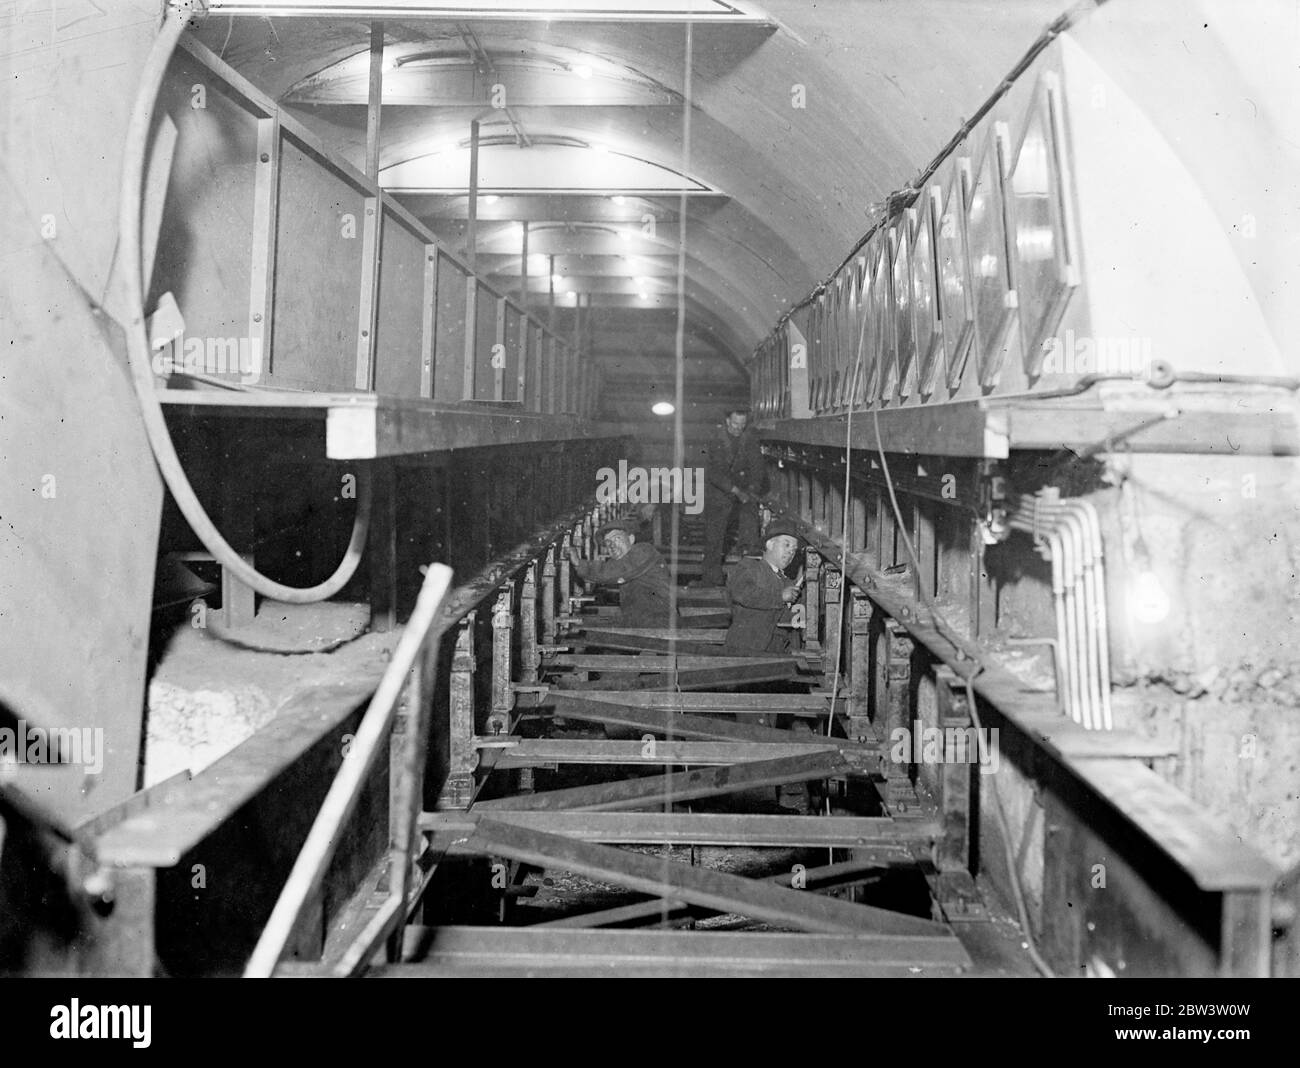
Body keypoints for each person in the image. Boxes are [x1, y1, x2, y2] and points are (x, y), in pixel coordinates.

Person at [699, 408, 769, 587]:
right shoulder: (715, 441)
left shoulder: (749, 440)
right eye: (735, 424)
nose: (738, 428)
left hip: (744, 493)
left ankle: (749, 579)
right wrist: (736, 491)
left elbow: (757, 467)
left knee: (750, 535)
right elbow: (714, 473)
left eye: (742, 425)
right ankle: (711, 580)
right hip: (720, 493)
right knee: (714, 540)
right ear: (728, 422)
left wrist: (752, 489)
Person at [569, 517, 675, 627]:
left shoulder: (643, 550)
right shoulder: (622, 564)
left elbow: (611, 571)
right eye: (608, 543)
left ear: (631, 539)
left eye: (617, 539)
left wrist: (578, 563)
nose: (612, 545)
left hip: (660, 624)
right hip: (643, 624)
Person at [723, 519, 804, 656]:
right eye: (786, 545)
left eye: (794, 550)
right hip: (745, 649)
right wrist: (780, 596)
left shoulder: (788, 583)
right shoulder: (749, 567)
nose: (791, 552)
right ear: (770, 544)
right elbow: (742, 593)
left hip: (776, 651)